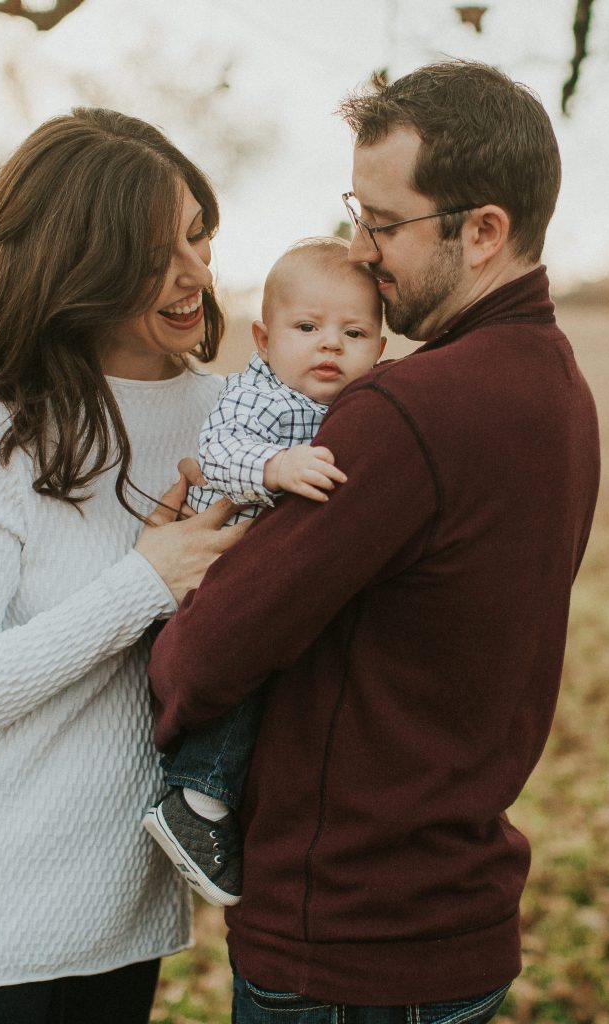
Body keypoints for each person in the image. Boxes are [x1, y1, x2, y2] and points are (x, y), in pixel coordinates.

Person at [148, 60, 602, 1023]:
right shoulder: (559, 386)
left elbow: (213, 649)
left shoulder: (406, 412)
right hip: (456, 923)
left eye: (383, 224)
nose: (359, 249)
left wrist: (170, 609)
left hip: (348, 947)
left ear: (482, 232)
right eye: (355, 214)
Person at [0, 107, 247, 1024]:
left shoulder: (234, 424)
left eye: (198, 235)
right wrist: (141, 584)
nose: (194, 273)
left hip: (117, 923)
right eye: (154, 255)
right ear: (81, 266)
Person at [141, 237, 387, 908]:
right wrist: (275, 466)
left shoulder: (353, 404)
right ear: (264, 338)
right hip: (214, 574)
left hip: (265, 572)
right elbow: (218, 451)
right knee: (244, 672)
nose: (329, 344)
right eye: (307, 328)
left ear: (379, 347)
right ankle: (196, 801)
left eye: (353, 333)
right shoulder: (261, 396)